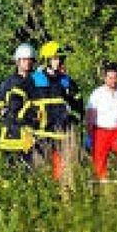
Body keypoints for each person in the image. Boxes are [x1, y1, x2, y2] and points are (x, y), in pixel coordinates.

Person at [30, 40, 82, 181]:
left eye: (60, 58)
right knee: (39, 173)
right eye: (54, 58)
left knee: (62, 175)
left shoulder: (66, 81)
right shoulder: (34, 80)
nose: (58, 62)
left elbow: (77, 103)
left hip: (61, 134)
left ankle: (63, 193)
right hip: (40, 134)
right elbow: (23, 103)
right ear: (46, 60)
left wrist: (73, 117)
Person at [85, 62, 117, 181]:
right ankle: (101, 182)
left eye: (115, 78)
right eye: (110, 78)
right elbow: (90, 116)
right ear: (105, 78)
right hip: (100, 131)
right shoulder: (97, 93)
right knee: (99, 163)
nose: (113, 81)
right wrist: (89, 135)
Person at [0, 43, 38, 174]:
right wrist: (5, 112)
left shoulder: (37, 81)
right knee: (10, 169)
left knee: (30, 170)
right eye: (24, 60)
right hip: (11, 132)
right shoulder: (9, 82)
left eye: (30, 60)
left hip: (31, 131)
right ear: (17, 61)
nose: (27, 63)